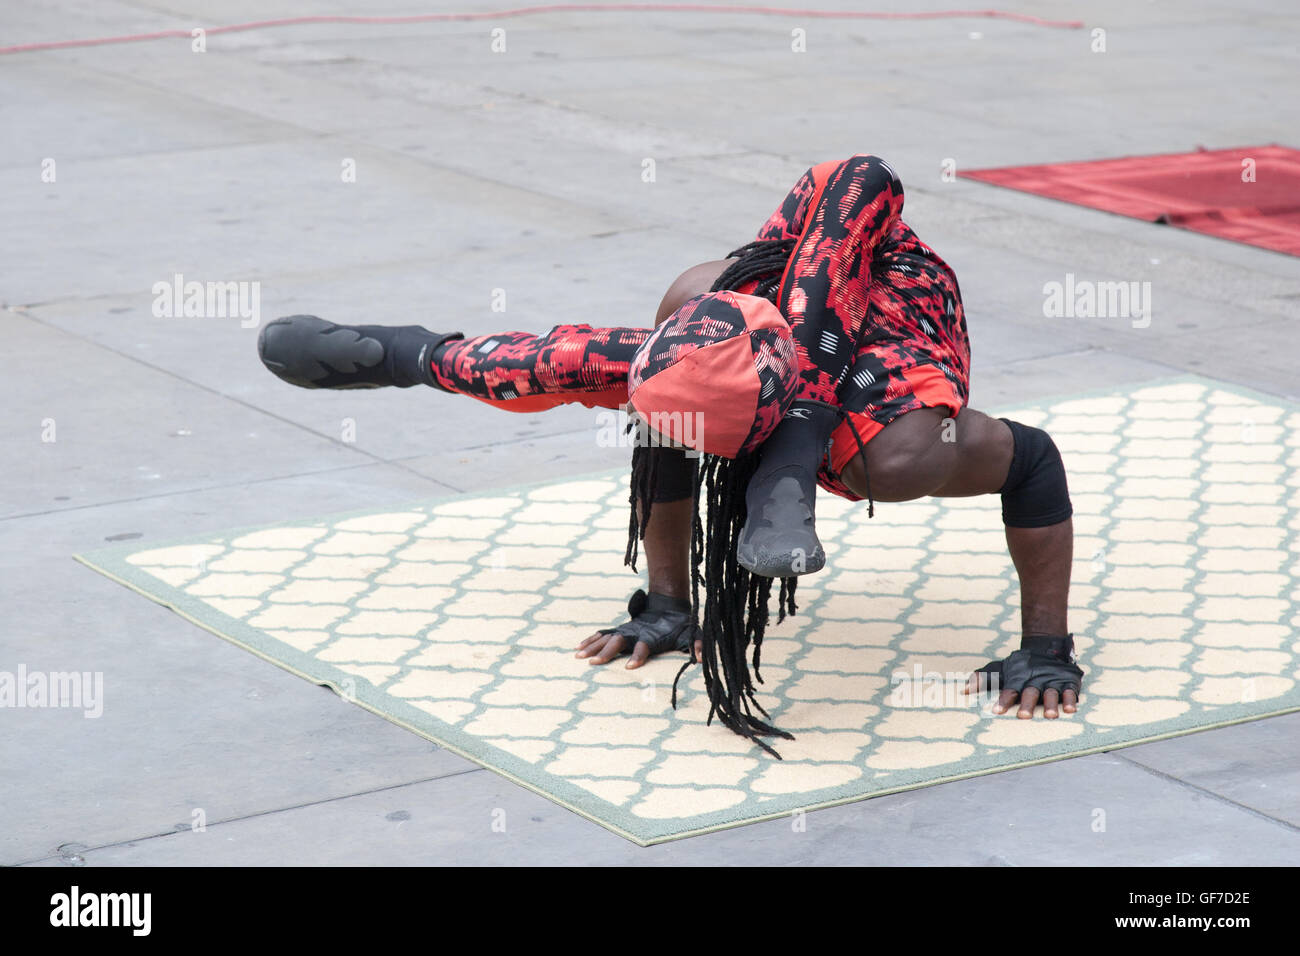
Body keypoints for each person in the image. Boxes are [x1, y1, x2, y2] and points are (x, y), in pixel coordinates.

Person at [259, 155, 1084, 755]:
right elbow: (527, 359)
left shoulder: (894, 443)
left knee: (852, 204)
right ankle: (782, 456)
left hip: (897, 328)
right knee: (686, 307)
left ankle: (796, 445)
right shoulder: (689, 334)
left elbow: (1037, 460)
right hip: (784, 311)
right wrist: (408, 356)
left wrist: (1045, 650)